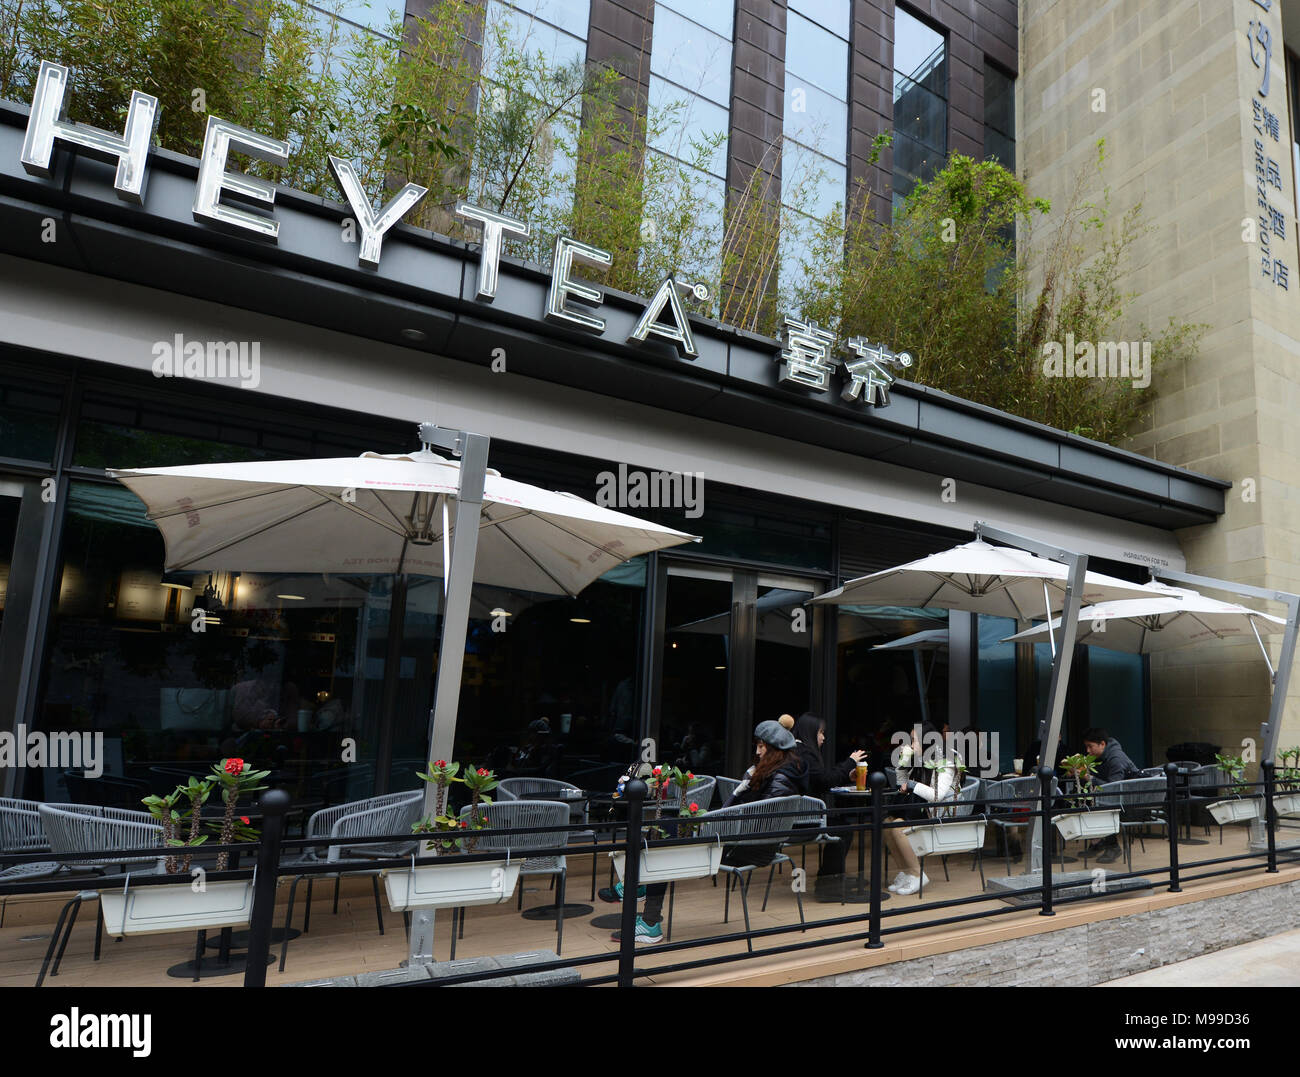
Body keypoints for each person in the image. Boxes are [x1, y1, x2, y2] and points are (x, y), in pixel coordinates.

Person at [608, 720, 808, 946]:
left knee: (664, 833)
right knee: (664, 829)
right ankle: (642, 896)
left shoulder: (779, 778)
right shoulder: (776, 773)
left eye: (762, 747)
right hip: (740, 840)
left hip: (747, 847)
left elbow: (760, 820)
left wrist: (722, 814)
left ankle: (645, 907)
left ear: (775, 751)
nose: (757, 752)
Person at [788, 712, 866, 900]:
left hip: (793, 816)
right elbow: (823, 781)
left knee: (841, 826)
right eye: (821, 732)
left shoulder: (795, 750)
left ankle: (831, 878)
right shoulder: (805, 752)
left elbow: (819, 780)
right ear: (810, 732)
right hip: (801, 821)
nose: (823, 737)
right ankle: (828, 885)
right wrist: (850, 762)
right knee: (843, 830)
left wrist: (846, 777)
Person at [885, 721, 959, 896]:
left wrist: (911, 784)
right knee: (886, 824)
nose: (910, 745)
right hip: (920, 809)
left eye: (914, 740)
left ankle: (918, 874)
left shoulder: (945, 761)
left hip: (938, 812)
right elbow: (901, 782)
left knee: (897, 827)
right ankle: (907, 871)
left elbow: (937, 795)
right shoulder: (920, 759)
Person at [1081, 727, 1142, 862]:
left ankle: (1113, 847)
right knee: (1084, 800)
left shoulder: (1115, 759)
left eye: (1090, 746)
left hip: (1130, 804)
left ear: (1102, 744)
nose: (1088, 751)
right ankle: (1097, 842)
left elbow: (1113, 789)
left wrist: (1089, 778)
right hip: (1118, 799)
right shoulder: (1101, 756)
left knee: (1101, 807)